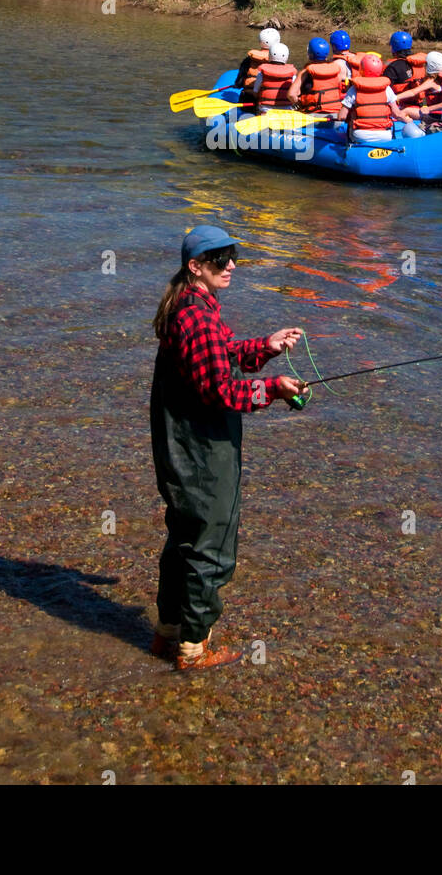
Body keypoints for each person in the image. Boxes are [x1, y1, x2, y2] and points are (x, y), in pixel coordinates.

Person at [150, 225, 307, 671]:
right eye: (220, 259)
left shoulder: (189, 306)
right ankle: (193, 649)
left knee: (184, 538)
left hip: (181, 448)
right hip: (199, 452)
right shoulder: (195, 317)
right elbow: (221, 391)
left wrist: (266, 347)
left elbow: (217, 356)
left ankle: (167, 633)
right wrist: (272, 390)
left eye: (233, 255)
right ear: (195, 267)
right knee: (210, 546)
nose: (232, 265)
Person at [337, 53, 413, 142]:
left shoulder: (354, 88)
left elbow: (342, 116)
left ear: (361, 69)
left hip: (360, 135)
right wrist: (408, 120)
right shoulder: (386, 88)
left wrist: (341, 117)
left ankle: (349, 148)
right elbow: (397, 114)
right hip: (385, 135)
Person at [287, 36, 345, 114]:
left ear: (310, 54)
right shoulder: (335, 69)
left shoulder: (306, 72)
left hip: (313, 113)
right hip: (335, 113)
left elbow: (291, 94)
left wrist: (299, 105)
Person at [397, 51, 442, 122]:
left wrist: (395, 97)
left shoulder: (431, 82)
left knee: (406, 111)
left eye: (426, 64)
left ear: (431, 66)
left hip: (437, 116)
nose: (424, 66)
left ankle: (409, 125)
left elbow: (413, 92)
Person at [234, 28, 280, 105]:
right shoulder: (280, 61)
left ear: (260, 41)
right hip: (270, 101)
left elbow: (239, 83)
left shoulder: (248, 60)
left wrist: (237, 85)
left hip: (249, 100)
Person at [252, 41, 297, 112]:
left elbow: (255, 92)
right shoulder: (293, 74)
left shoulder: (262, 72)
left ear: (270, 55)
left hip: (265, 109)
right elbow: (294, 94)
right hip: (287, 109)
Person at [383, 31, 415, 96]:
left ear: (393, 47)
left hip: (400, 102)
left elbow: (384, 89)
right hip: (419, 102)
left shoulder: (392, 66)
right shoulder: (417, 64)